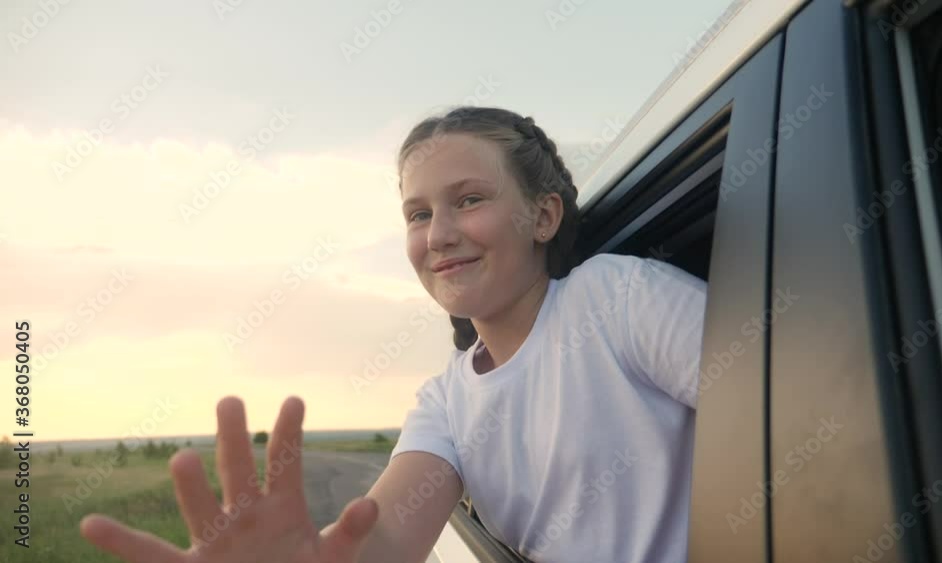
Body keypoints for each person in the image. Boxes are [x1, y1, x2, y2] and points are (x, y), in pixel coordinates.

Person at [78, 106, 707, 563]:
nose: (437, 235)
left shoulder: (618, 297)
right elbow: (381, 536)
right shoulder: (446, 401)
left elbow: (791, 406)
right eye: (419, 213)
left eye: (468, 200)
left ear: (542, 216)